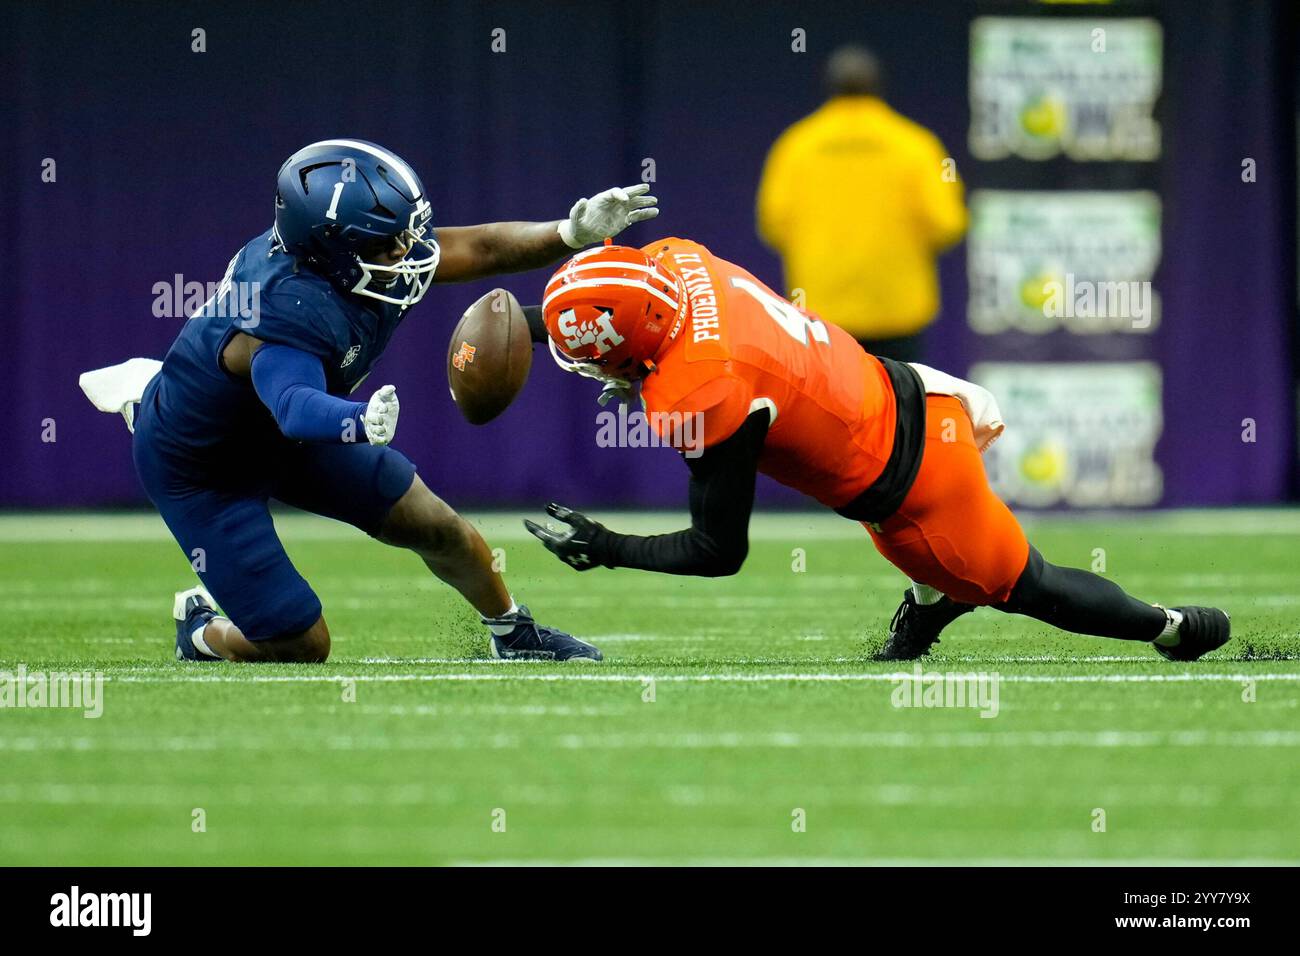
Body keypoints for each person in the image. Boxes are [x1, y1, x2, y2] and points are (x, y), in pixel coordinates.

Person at [522, 238, 1231, 662]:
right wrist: (512, 328)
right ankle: (933, 605)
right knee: (956, 576)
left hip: (918, 494)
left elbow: (719, 551)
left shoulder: (700, 392)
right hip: (911, 387)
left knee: (1026, 586)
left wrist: (604, 545)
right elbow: (624, 314)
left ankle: (1170, 629)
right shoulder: (675, 261)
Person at [128, 139, 659, 663]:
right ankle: (199, 632)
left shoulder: (346, 257)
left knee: (436, 525)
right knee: (298, 644)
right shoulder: (285, 303)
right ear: (332, 248)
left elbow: (482, 248)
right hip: (207, 464)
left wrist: (570, 234)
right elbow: (291, 402)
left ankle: (513, 633)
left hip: (289, 435)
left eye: (407, 231)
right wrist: (358, 419)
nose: (408, 249)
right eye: (388, 241)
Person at [756, 45, 966, 363]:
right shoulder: (915, 144)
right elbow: (947, 224)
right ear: (878, 86)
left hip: (821, 314)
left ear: (830, 86)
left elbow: (773, 223)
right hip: (898, 311)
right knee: (899, 408)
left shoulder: (796, 146)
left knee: (827, 410)